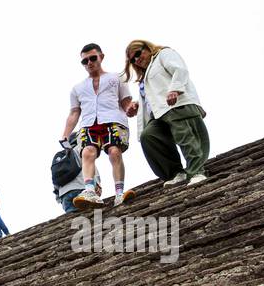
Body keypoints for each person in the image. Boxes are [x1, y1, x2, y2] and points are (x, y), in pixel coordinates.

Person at [123, 39, 210, 187]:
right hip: (159, 114)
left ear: (147, 48)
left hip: (177, 105)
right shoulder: (145, 76)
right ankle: (175, 173)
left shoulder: (163, 54)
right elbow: (154, 95)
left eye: (138, 54)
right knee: (149, 136)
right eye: (133, 60)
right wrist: (138, 104)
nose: (137, 60)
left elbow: (180, 70)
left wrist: (174, 89)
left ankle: (197, 172)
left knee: (185, 137)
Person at [62, 43, 137, 209]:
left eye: (92, 58)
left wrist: (131, 109)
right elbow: (74, 112)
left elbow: (126, 102)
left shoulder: (117, 78)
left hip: (113, 119)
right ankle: (89, 189)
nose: (89, 62)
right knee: (88, 152)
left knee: (114, 151)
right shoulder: (77, 88)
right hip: (89, 123)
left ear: (101, 57)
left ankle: (119, 192)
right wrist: (65, 134)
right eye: (85, 61)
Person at [56, 142, 103, 213]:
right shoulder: (82, 150)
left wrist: (59, 198)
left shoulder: (60, 158)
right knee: (89, 219)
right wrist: (97, 185)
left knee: (74, 221)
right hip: (82, 190)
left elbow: (55, 180)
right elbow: (91, 171)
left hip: (64, 196)